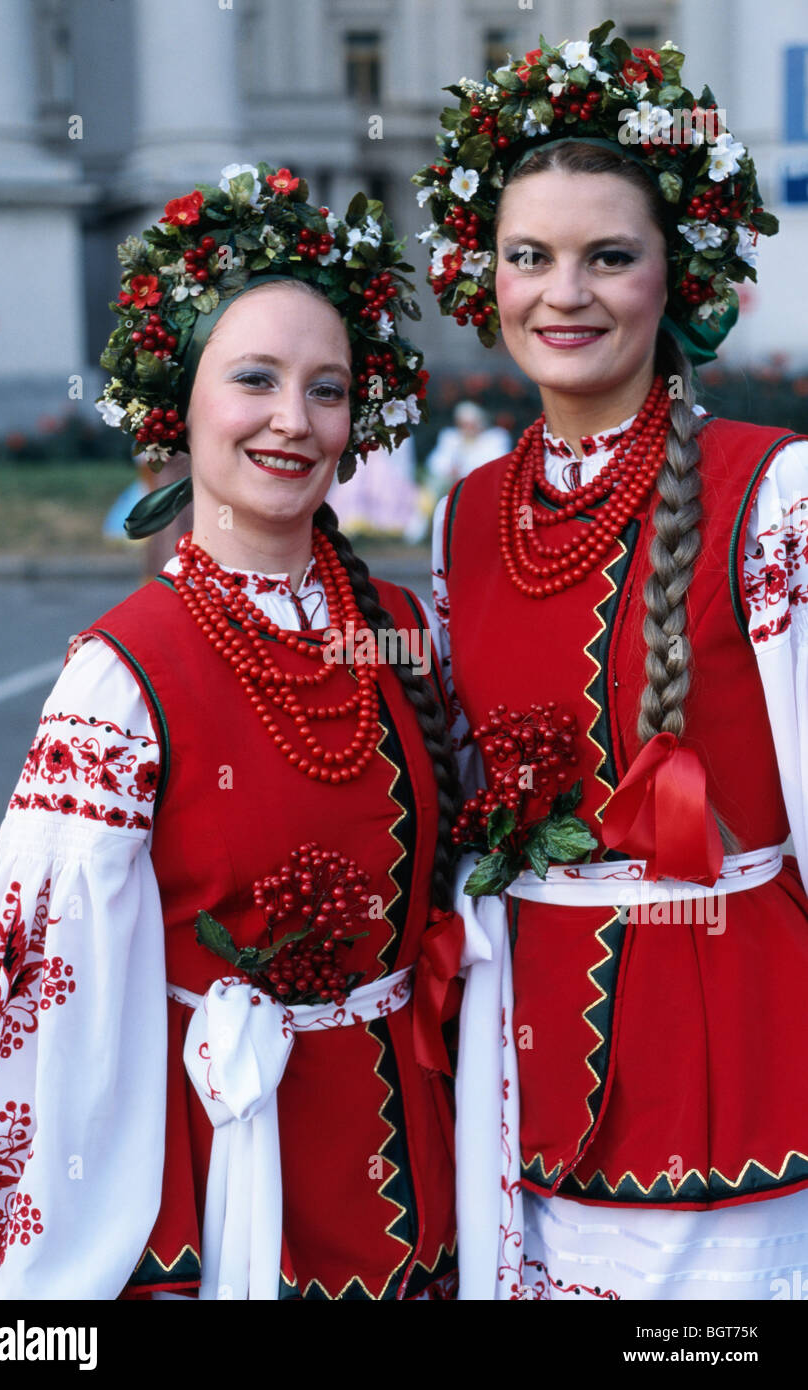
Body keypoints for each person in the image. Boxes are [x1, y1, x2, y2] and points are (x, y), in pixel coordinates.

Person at [0, 164, 461, 1301]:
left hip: (420, 1192)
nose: (294, 419)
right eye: (255, 379)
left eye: (326, 388)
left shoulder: (402, 627)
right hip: (224, 1193)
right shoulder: (116, 677)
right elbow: (38, 998)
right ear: (177, 401)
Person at [416, 23, 808, 1299]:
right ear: (486, 280)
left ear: (673, 276)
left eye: (608, 257)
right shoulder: (464, 513)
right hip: (518, 1067)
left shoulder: (775, 491)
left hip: (733, 1067)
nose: (563, 293)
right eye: (529, 257)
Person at [426, 401, 512, 490]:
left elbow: (494, 464)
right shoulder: (451, 437)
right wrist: (449, 469)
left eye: (471, 424)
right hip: (453, 485)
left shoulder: (496, 438)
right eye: (463, 424)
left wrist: (463, 470)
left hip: (484, 485)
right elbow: (435, 462)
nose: (467, 428)